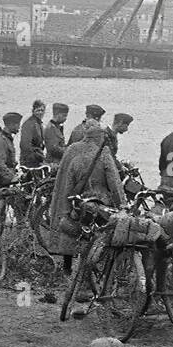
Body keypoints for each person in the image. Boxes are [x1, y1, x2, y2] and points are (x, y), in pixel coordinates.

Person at [48, 120, 126, 281]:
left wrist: (66, 205)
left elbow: (65, 181)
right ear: (99, 137)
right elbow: (114, 183)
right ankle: (94, 274)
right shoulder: (103, 153)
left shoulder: (72, 150)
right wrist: (122, 205)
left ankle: (67, 269)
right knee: (96, 237)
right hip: (98, 202)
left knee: (71, 232)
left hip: (77, 200)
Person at [0, 112, 22, 194]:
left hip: (5, 179)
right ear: (11, 125)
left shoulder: (7, 139)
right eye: (17, 124)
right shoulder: (1, 140)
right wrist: (11, 177)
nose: (19, 127)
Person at [19, 100, 47, 168]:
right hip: (29, 160)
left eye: (42, 110)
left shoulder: (39, 124)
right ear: (33, 111)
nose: (40, 113)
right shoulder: (29, 124)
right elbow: (25, 146)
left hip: (37, 158)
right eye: (38, 110)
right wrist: (40, 157)